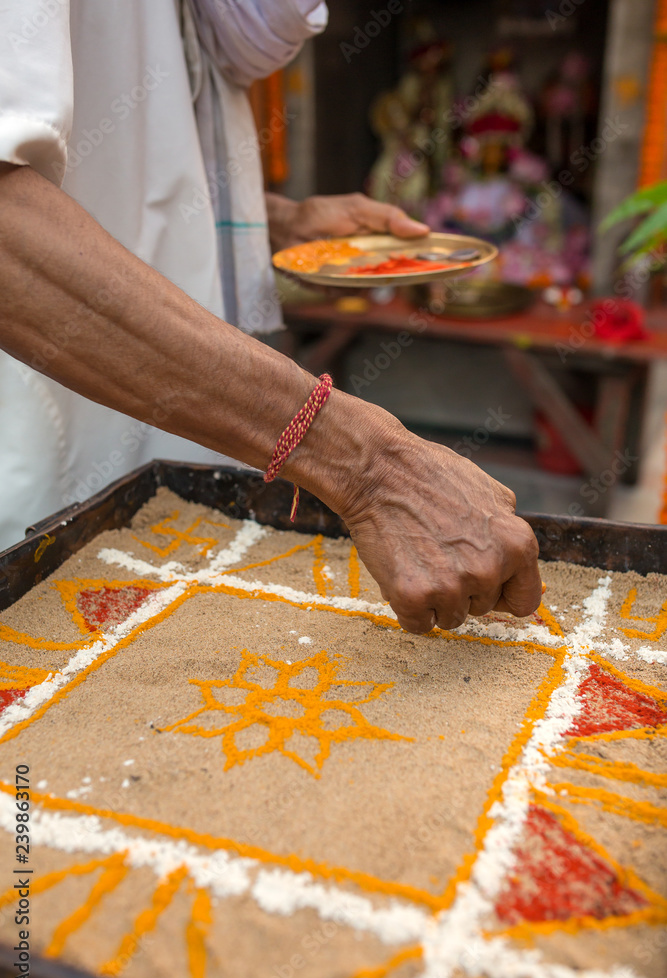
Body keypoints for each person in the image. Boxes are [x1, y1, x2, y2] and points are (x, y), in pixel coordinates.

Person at [0, 0, 541, 634]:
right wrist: (374, 468)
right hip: (48, 419)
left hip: (172, 415)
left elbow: (136, 154)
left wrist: (283, 218)